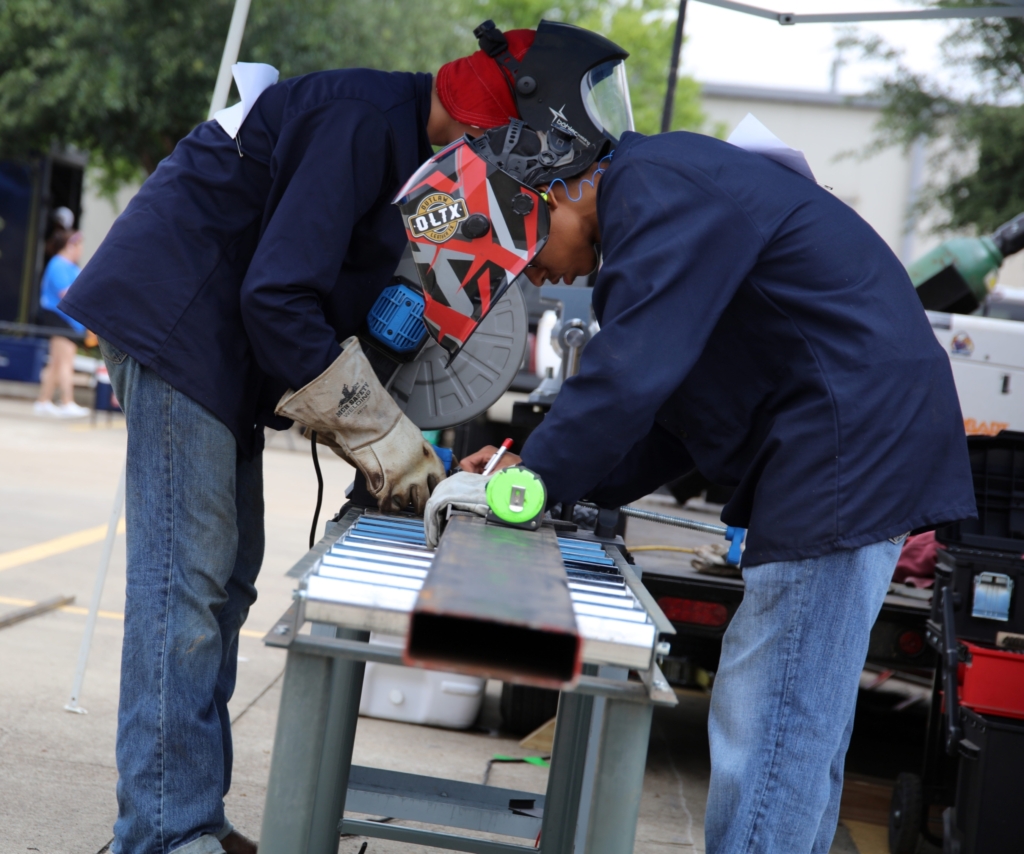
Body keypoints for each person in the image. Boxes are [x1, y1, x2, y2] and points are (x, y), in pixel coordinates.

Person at [57, 21, 622, 854]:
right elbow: (277, 298)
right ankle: (163, 834)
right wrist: (386, 441)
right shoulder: (360, 120)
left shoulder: (411, 161)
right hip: (178, 324)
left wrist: (392, 425)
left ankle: (188, 816)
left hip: (217, 351)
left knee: (225, 584)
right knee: (187, 587)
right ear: (502, 133)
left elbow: (333, 308)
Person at [439, 121, 976, 854]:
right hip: (848, 437)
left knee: (772, 722)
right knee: (796, 727)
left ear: (552, 195)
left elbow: (629, 374)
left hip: (847, 443)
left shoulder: (655, 186)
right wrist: (538, 474)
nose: (531, 277)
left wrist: (529, 481)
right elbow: (666, 416)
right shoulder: (662, 192)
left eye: (522, 254)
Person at [35, 229, 89, 418]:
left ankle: (43, 401)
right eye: (79, 245)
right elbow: (66, 293)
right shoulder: (58, 264)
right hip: (59, 317)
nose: (81, 249)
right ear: (70, 246)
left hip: (68, 319)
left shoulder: (70, 266)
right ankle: (67, 402)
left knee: (57, 362)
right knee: (66, 360)